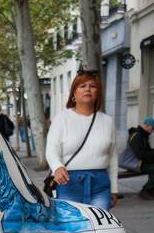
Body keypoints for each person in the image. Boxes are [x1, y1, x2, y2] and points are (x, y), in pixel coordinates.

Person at [46, 71, 119, 209]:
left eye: (92, 86)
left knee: (98, 228)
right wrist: (57, 167)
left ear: (98, 93)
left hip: (100, 185)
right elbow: (51, 150)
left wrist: (114, 189)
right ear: (74, 94)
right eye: (82, 86)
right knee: (73, 228)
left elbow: (113, 158)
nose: (87, 89)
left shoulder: (107, 121)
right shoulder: (61, 119)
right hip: (68, 182)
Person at [127, 116, 154, 200]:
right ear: (147, 125)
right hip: (135, 164)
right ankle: (145, 191)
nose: (153, 131)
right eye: (152, 128)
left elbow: (145, 151)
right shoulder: (137, 136)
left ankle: (151, 191)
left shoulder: (143, 135)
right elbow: (141, 154)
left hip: (140, 162)